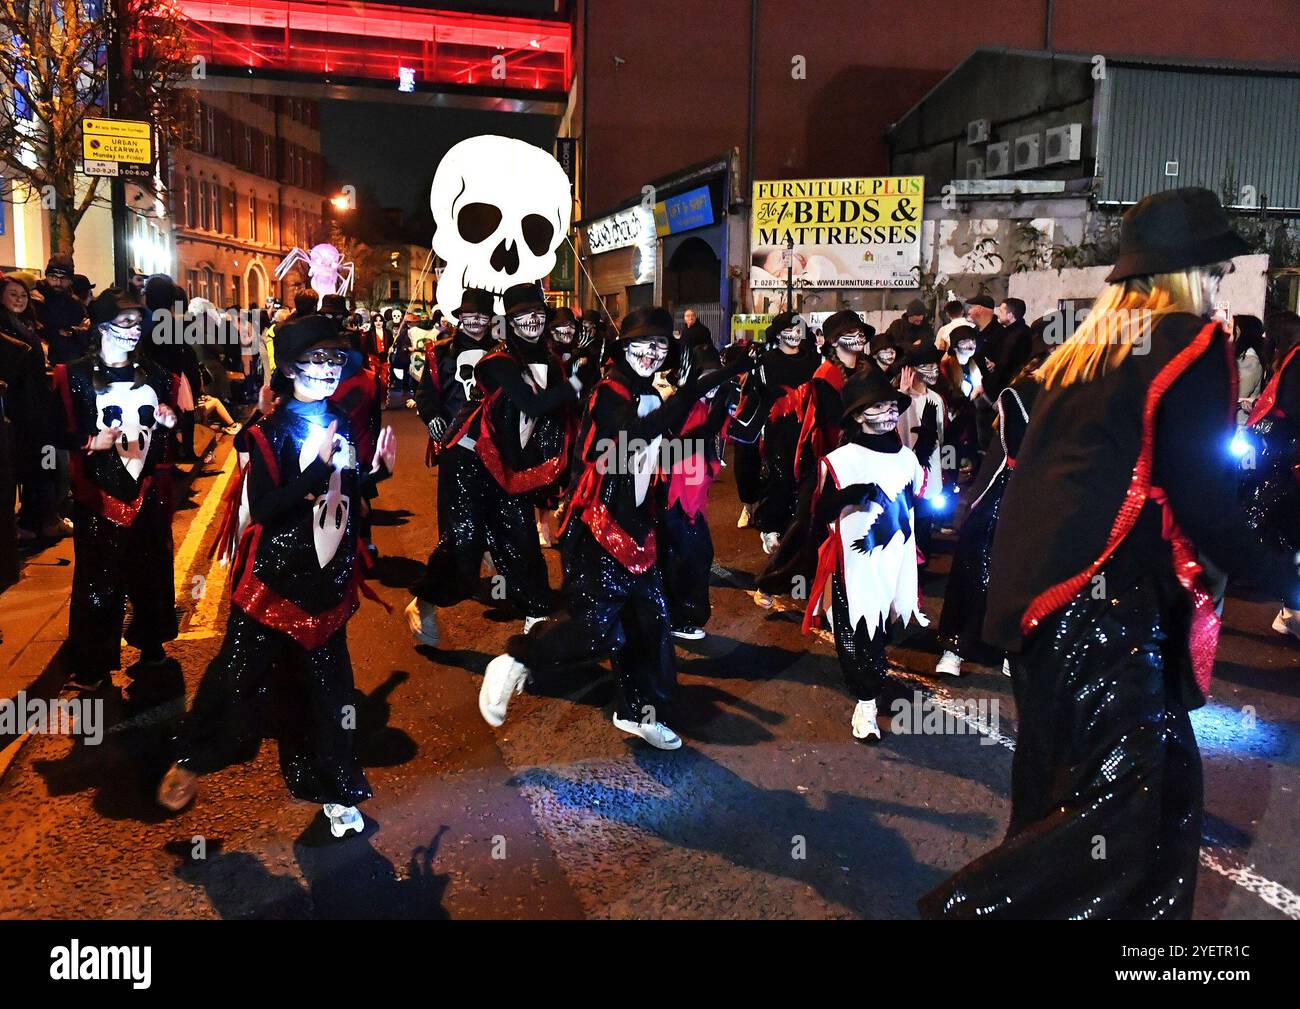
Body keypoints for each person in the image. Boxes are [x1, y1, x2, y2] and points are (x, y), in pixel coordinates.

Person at [921, 188, 1300, 920]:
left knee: (1124, 803)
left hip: (1047, 610)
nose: (1220, 292)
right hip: (1107, 613)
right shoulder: (1189, 344)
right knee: (1119, 815)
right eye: (1216, 274)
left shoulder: (1080, 352)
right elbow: (1206, 505)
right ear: (1188, 274)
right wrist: (1285, 577)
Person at [158, 314, 396, 836]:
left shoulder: (344, 420)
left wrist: (374, 471)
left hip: (327, 585)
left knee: (331, 693)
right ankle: (193, 758)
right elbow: (265, 507)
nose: (330, 370)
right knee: (237, 676)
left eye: (337, 359)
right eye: (317, 360)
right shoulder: (268, 433)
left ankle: (336, 790)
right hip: (272, 584)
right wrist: (316, 472)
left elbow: (349, 496)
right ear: (288, 368)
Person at [476, 307, 750, 747]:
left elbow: (669, 449)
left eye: (660, 345)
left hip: (637, 527)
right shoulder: (608, 391)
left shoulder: (654, 396)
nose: (651, 353)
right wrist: (695, 390)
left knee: (652, 624)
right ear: (624, 346)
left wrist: (719, 408)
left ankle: (639, 711)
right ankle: (515, 661)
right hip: (597, 528)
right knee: (594, 624)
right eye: (642, 343)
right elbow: (632, 437)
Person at [404, 283, 576, 646]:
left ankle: (536, 613)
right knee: (464, 543)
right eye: (522, 316)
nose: (531, 321)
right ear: (510, 322)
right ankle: (426, 601)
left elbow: (556, 419)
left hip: (507, 464)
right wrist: (578, 380)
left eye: (538, 314)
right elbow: (532, 406)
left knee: (521, 537)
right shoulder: (497, 360)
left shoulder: (553, 362)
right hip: (467, 459)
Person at [51, 290, 179, 691]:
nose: (134, 331)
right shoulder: (70, 376)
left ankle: (152, 645)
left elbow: (168, 431)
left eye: (138, 324)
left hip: (145, 489)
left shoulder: (157, 375)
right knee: (97, 580)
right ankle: (93, 665)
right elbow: (48, 433)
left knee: (152, 569)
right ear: (101, 326)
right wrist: (90, 443)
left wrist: (170, 420)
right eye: (125, 323)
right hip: (97, 492)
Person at [802, 368, 926, 741]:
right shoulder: (840, 460)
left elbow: (914, 501)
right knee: (857, 633)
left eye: (892, 406)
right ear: (857, 416)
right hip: (853, 567)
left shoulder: (907, 457)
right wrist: (845, 495)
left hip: (897, 561)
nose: (889, 414)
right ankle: (866, 701)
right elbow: (817, 515)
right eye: (879, 408)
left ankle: (873, 681)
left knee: (883, 630)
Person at [934, 332, 1047, 678]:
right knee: (975, 561)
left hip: (1052, 496)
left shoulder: (1089, 392)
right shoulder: (1023, 392)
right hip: (1007, 489)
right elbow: (1007, 451)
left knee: (1032, 574)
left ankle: (1014, 646)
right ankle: (956, 644)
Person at [754, 309, 869, 606]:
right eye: (849, 335)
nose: (857, 339)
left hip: (860, 459)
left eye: (859, 334)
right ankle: (770, 582)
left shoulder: (865, 370)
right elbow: (834, 422)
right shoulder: (825, 375)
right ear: (833, 341)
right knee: (806, 521)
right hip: (824, 460)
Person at [658, 337, 734, 639]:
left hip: (690, 497)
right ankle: (678, 618)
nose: (712, 383)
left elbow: (742, 432)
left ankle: (674, 615)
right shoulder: (684, 406)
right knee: (688, 555)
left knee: (689, 555)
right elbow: (672, 450)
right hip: (676, 497)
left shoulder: (708, 404)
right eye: (705, 377)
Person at [729, 312, 819, 554]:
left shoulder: (814, 359)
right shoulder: (766, 361)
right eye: (789, 330)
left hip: (809, 428)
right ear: (779, 334)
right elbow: (753, 395)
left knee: (806, 479)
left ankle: (797, 528)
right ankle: (770, 527)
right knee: (779, 476)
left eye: (798, 329)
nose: (795, 334)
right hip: (777, 430)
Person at [1240, 311, 1300, 641]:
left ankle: (1290, 608)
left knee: (1282, 530)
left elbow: (1289, 411)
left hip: (1286, 463)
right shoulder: (1290, 362)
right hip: (1286, 461)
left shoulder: (1295, 362)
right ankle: (1290, 610)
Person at [1, 274, 66, 540]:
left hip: (34, 404)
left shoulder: (25, 323)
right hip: (17, 408)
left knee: (42, 464)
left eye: (22, 295)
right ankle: (29, 524)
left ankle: (40, 518)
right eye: (13, 295)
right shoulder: (5, 325)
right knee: (26, 467)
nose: (18, 300)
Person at [895, 344, 945, 561]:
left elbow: (941, 437)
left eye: (935, 365)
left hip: (929, 473)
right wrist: (901, 394)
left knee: (924, 524)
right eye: (926, 365)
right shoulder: (900, 399)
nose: (933, 370)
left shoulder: (936, 398)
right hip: (903, 474)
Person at [33, 254, 90, 366]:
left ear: (70, 280)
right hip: (41, 361)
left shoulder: (75, 304)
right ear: (47, 276)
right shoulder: (35, 299)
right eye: (53, 277)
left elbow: (84, 333)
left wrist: (81, 331)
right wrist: (57, 332)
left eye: (63, 278)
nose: (58, 282)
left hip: (70, 363)